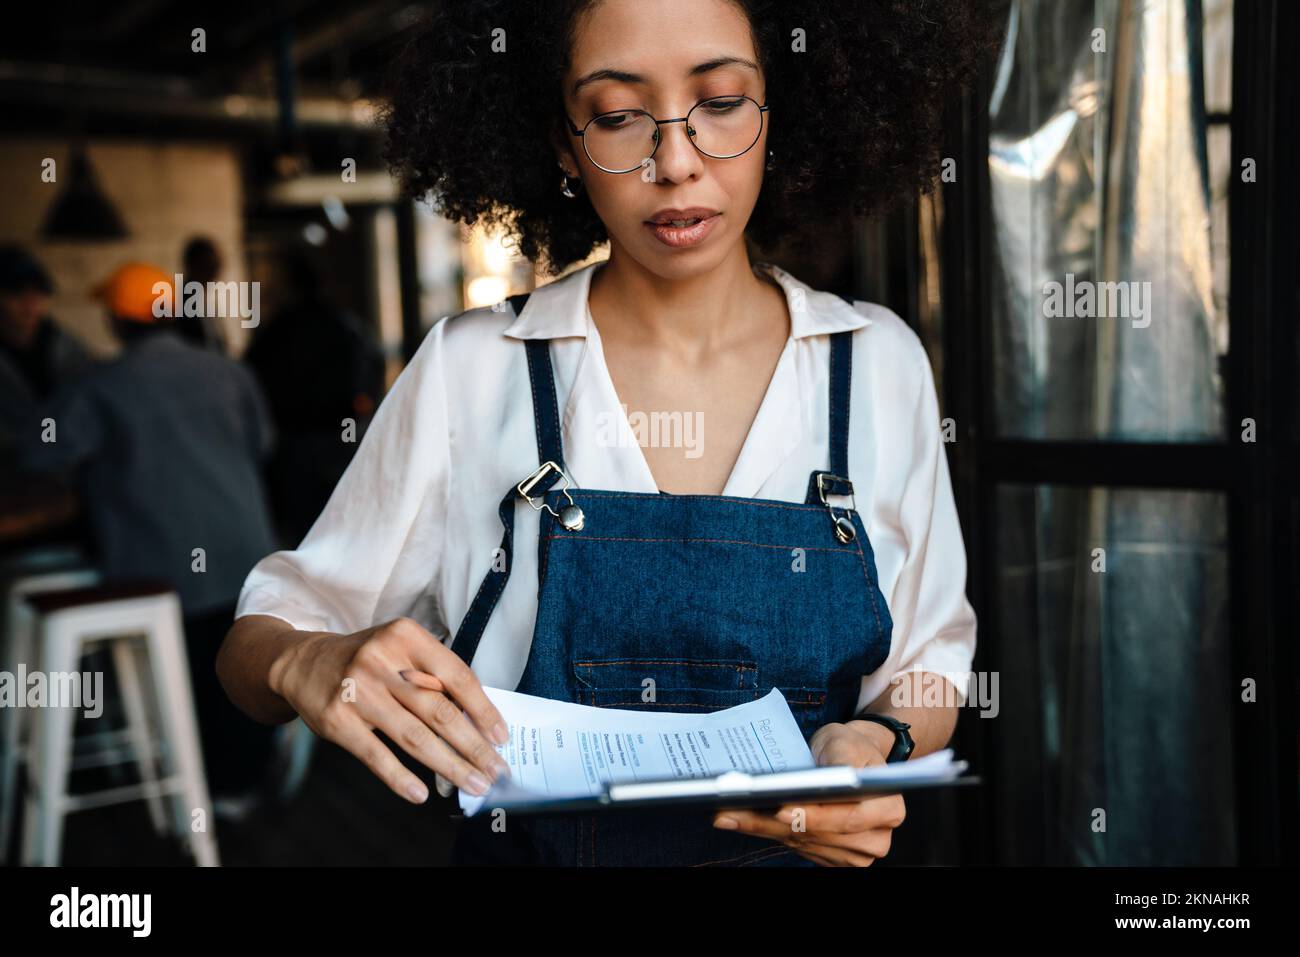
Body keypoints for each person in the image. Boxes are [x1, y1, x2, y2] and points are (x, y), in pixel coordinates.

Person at [219, 0, 1000, 866]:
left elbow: (932, 660)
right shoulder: (474, 369)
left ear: (788, 106)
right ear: (561, 143)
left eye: (723, 102)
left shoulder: (876, 364)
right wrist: (307, 661)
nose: (675, 162)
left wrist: (877, 745)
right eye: (618, 116)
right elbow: (255, 647)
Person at [19, 262, 281, 808]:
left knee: (185, 679)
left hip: (163, 572)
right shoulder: (228, 372)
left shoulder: (97, 385)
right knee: (243, 669)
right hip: (249, 560)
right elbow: (263, 444)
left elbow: (38, 454)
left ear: (115, 319)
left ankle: (199, 785)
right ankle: (243, 783)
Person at [243, 249, 384, 546]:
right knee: (345, 520)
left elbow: (254, 378)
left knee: (305, 529)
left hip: (296, 440)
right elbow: (371, 370)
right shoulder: (344, 325)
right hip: (339, 436)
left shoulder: (279, 330)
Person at [0, 245, 92, 458]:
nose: (29, 304)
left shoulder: (69, 349)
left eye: (38, 294)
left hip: (65, 465)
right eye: (16, 293)